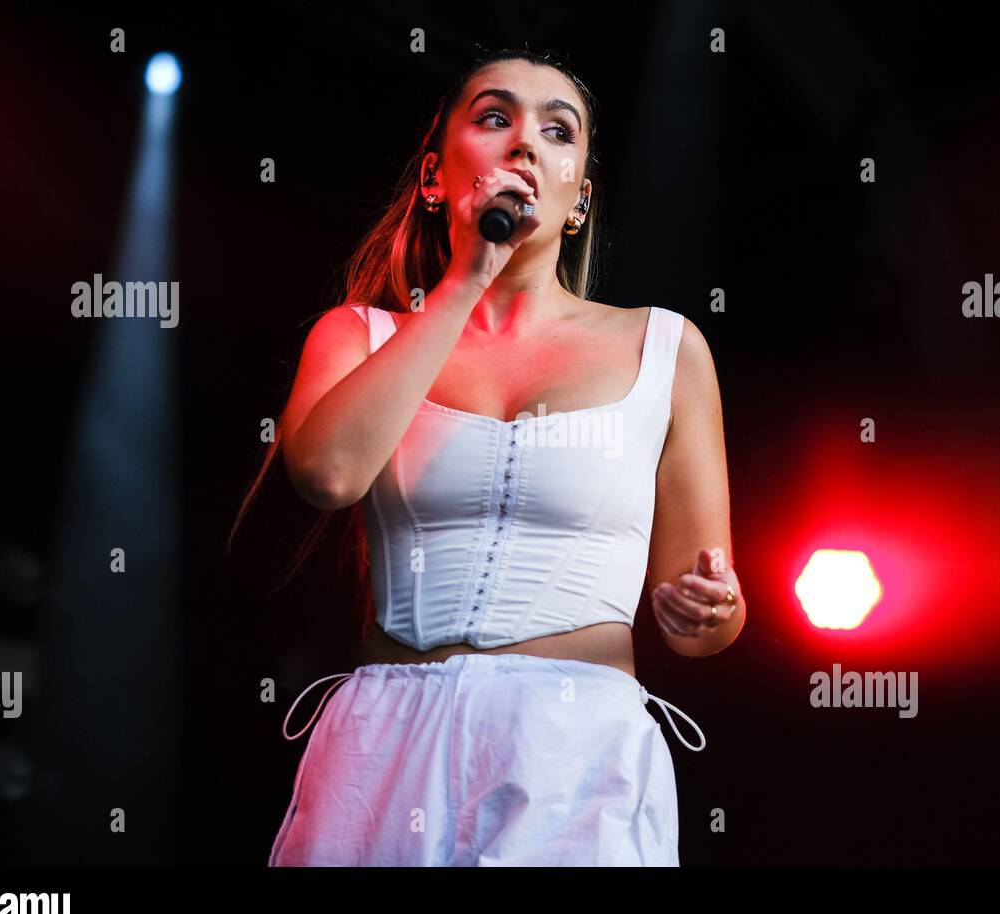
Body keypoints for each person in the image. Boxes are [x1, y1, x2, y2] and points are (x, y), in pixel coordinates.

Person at [230, 49, 745, 866]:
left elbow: (704, 619)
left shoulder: (666, 346)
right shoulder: (358, 335)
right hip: (386, 739)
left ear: (580, 196)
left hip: (573, 743)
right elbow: (328, 476)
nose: (526, 146)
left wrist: (712, 610)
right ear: (435, 176)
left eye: (557, 131)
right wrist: (467, 281)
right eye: (496, 118)